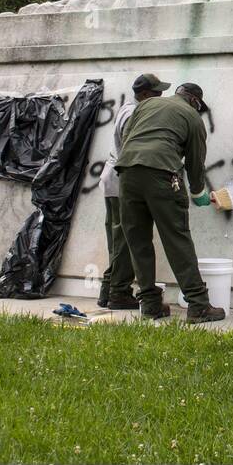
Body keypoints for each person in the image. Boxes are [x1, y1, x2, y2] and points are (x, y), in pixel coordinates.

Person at [115, 74, 226, 322]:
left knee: (138, 240)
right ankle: (198, 305)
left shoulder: (146, 105)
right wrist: (199, 195)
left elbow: (127, 139)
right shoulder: (193, 119)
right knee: (176, 238)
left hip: (127, 172)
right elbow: (195, 165)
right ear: (195, 102)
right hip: (162, 174)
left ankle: (151, 305)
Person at [96, 94, 138, 309]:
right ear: (146, 94)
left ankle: (108, 291)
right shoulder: (133, 113)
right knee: (123, 240)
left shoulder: (126, 108)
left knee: (116, 239)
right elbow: (130, 148)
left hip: (112, 181)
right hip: (121, 181)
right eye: (156, 92)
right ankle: (118, 292)